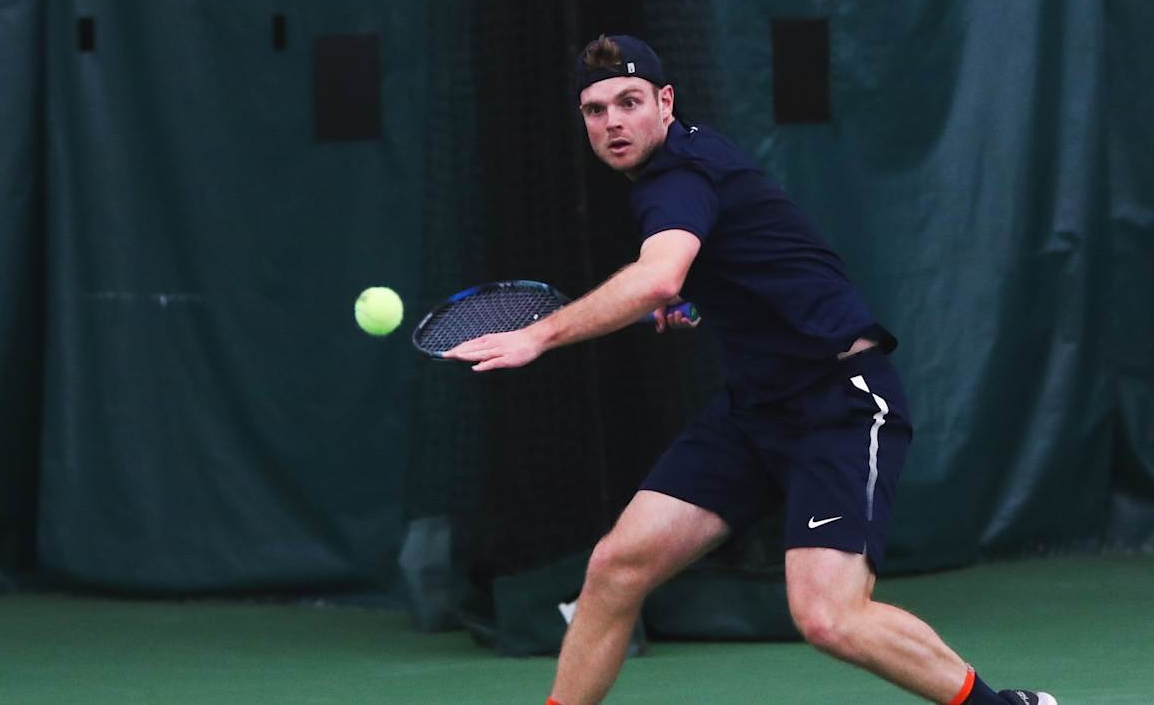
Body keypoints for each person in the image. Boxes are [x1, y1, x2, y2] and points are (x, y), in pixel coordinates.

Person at [445, 34, 1057, 705]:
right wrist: (700, 303)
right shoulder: (685, 167)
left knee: (828, 617)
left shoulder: (679, 175)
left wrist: (541, 335)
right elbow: (738, 267)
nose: (613, 122)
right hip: (754, 410)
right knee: (616, 568)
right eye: (595, 110)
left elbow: (657, 277)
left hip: (839, 403)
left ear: (665, 102)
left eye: (629, 102)